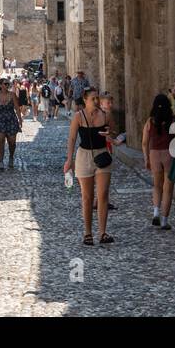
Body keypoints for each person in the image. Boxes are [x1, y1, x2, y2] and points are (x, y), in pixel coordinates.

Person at [63, 86, 113, 245]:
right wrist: (69, 160)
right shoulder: (78, 117)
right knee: (87, 197)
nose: (96, 101)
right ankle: (88, 233)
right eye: (93, 98)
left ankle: (103, 232)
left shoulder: (105, 115)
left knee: (103, 194)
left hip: (102, 155)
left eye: (97, 98)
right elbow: (71, 139)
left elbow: (113, 134)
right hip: (84, 157)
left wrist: (110, 135)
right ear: (85, 100)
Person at [144, 93, 175, 229]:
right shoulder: (172, 121)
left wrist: (146, 158)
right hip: (169, 154)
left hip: (154, 154)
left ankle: (156, 212)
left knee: (157, 186)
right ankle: (164, 221)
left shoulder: (150, 121)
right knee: (168, 189)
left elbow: (145, 142)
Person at [0, 77, 21, 170]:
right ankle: (0, 161)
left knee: (12, 142)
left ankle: (11, 157)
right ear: (1, 85)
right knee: (0, 141)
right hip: (0, 120)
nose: (7, 85)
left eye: (8, 84)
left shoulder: (12, 95)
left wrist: (20, 119)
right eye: (5, 84)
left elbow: (17, 108)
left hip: (11, 119)